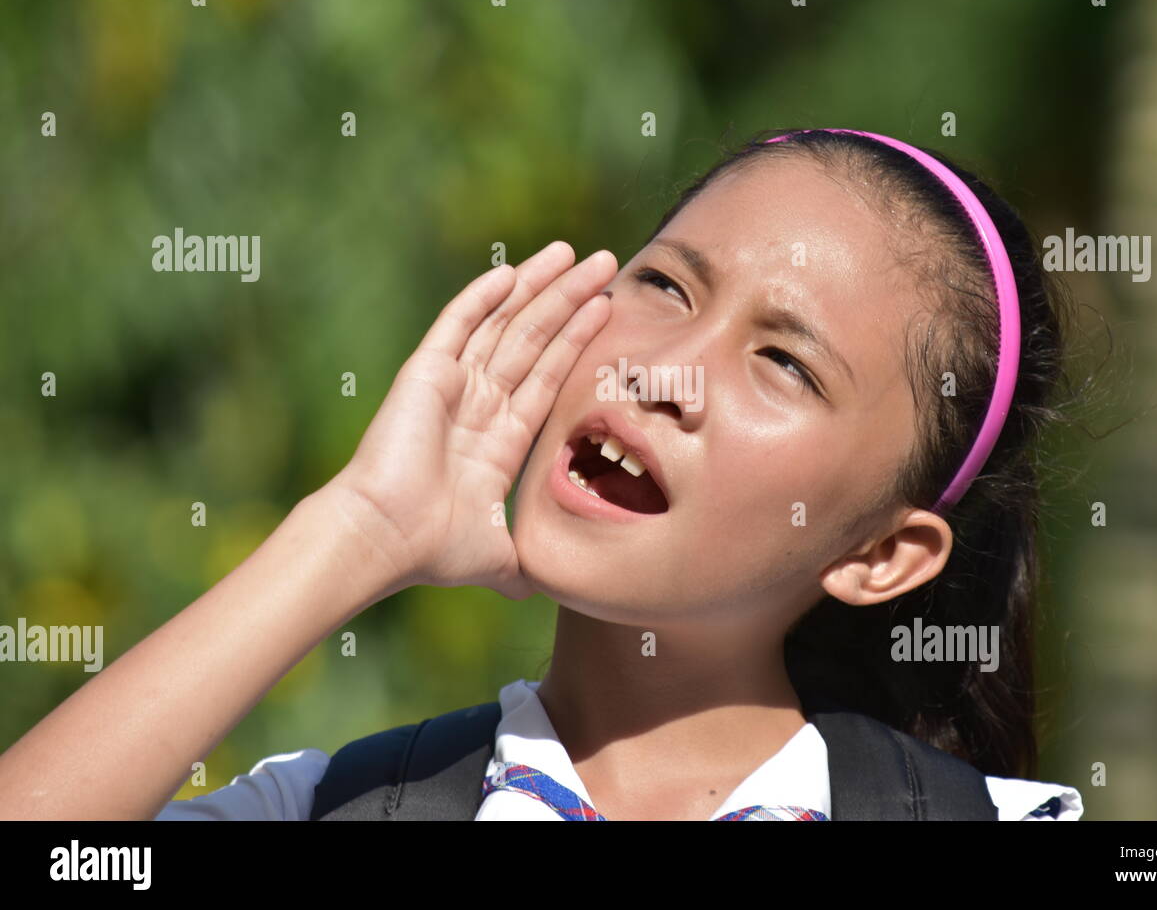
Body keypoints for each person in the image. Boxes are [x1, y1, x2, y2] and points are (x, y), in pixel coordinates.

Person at [0, 128, 1084, 821]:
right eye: (665, 284)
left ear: (881, 553)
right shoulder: (339, 806)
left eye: (782, 361)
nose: (662, 370)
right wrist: (355, 532)